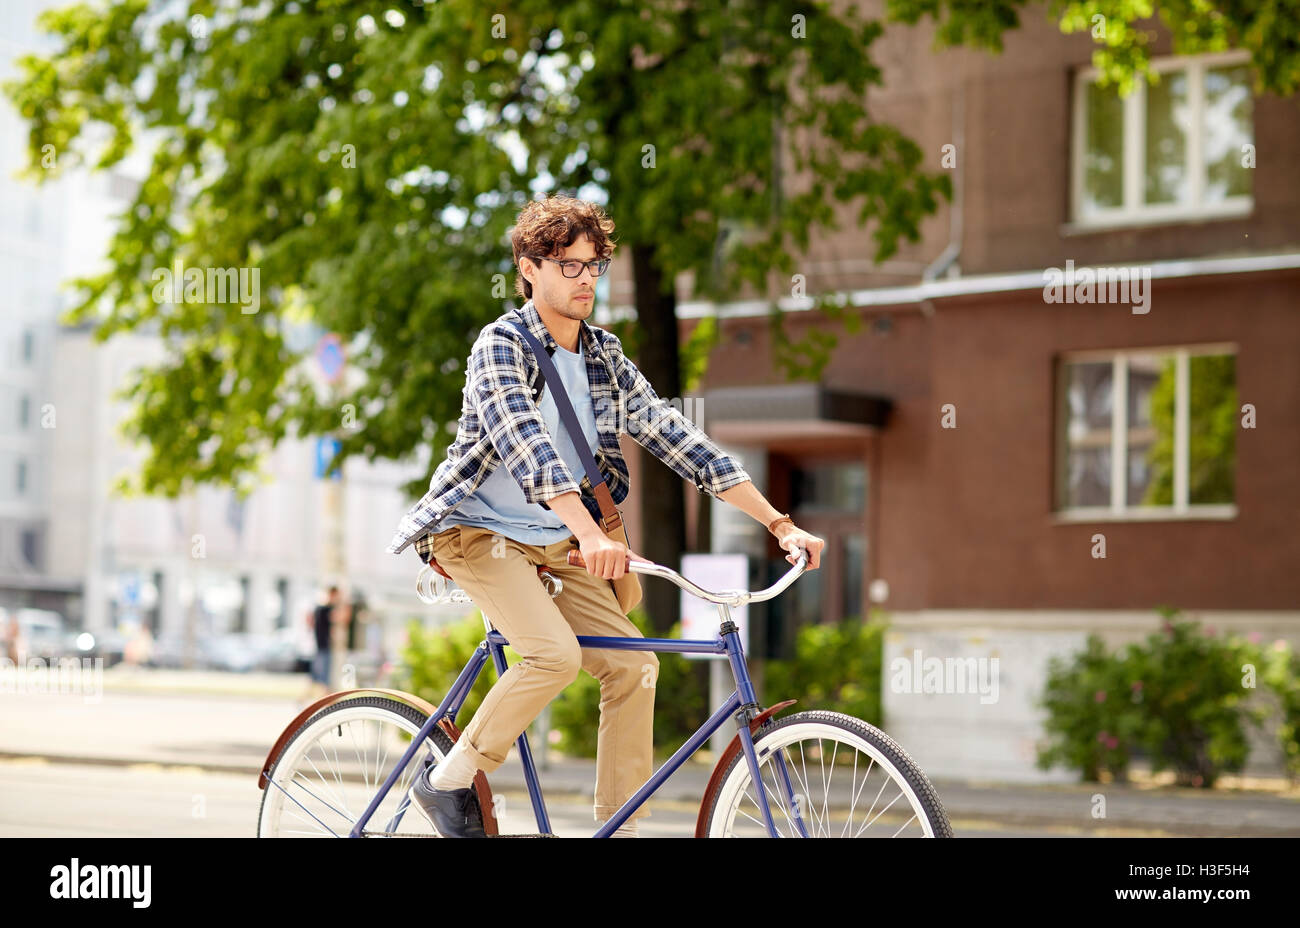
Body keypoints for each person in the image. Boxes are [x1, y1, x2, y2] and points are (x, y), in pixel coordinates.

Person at [387, 195, 825, 838]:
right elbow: (529, 448)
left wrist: (778, 522)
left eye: (594, 265)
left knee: (633, 664)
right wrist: (590, 533)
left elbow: (678, 438)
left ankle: (618, 828)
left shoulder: (603, 355)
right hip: (476, 532)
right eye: (569, 265)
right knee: (552, 656)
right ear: (529, 268)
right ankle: (447, 780)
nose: (586, 278)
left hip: (557, 542)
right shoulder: (500, 346)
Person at [304, 586, 342, 701]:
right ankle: (329, 701)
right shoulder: (327, 609)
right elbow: (342, 619)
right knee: (323, 677)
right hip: (323, 647)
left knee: (315, 678)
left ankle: (304, 700)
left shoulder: (319, 608)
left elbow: (309, 620)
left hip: (319, 646)